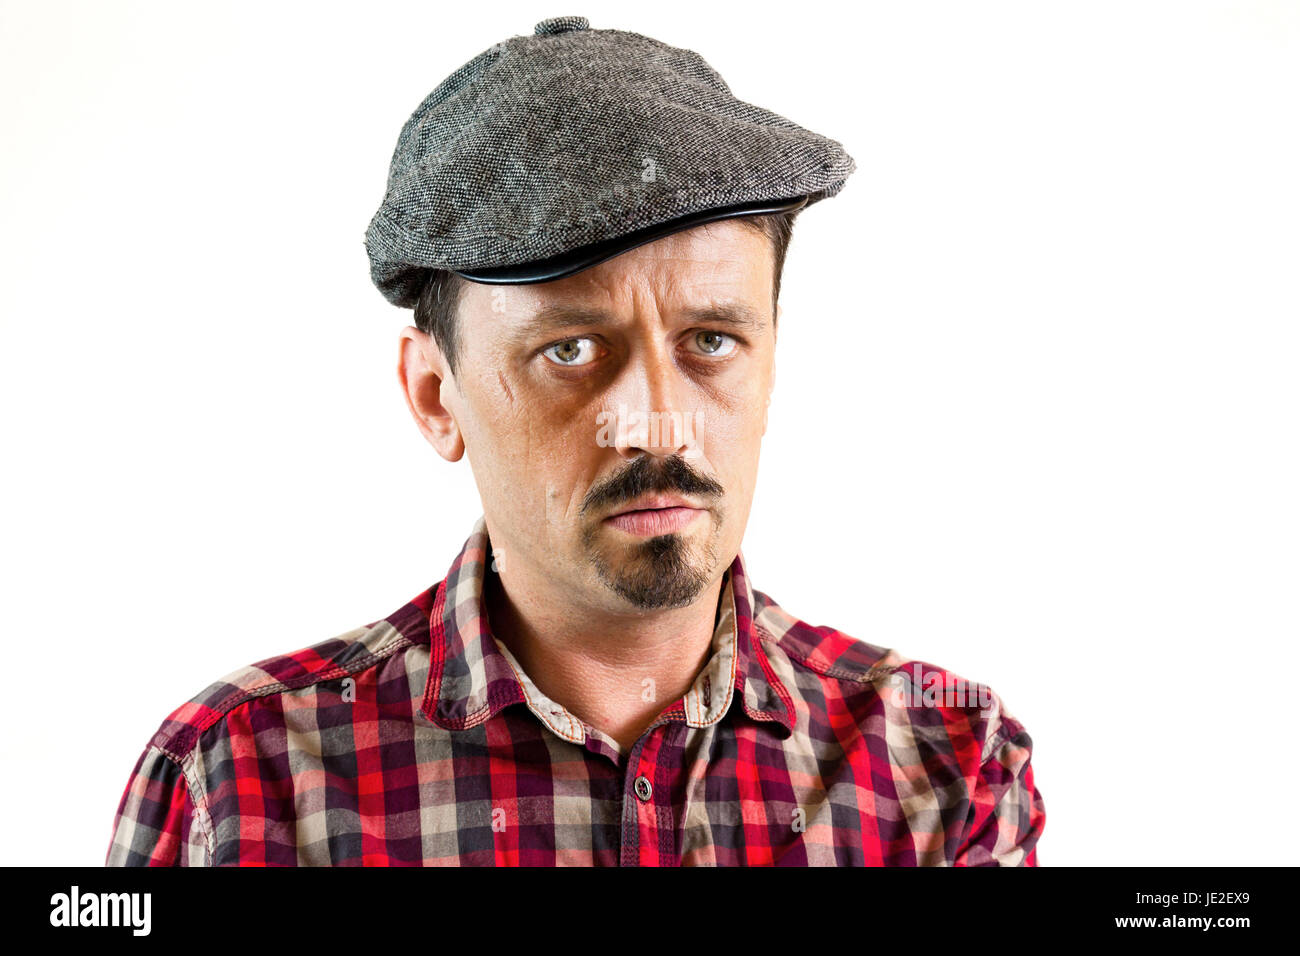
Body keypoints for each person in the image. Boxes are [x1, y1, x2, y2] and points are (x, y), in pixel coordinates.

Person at [106, 15, 1044, 866]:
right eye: (572, 350)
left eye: (712, 341)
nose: (652, 421)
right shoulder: (242, 786)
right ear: (437, 396)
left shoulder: (944, 769)